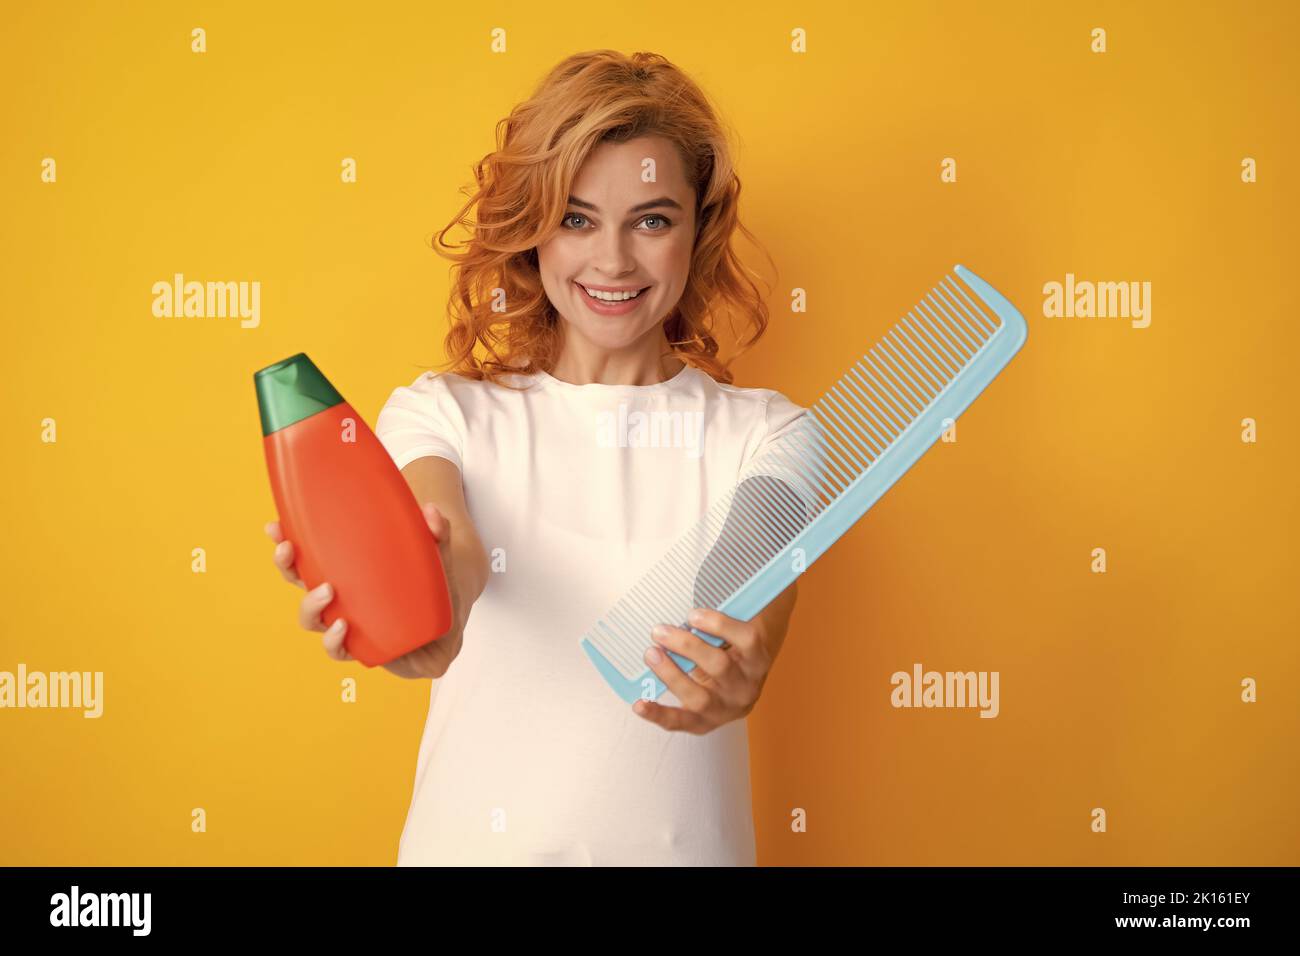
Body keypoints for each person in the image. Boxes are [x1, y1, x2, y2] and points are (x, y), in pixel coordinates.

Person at [264, 50, 808, 865]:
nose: (613, 261)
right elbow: (444, 534)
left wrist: (732, 663)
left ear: (700, 229)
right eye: (577, 219)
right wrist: (427, 597)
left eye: (652, 219)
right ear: (532, 228)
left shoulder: (769, 435)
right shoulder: (443, 413)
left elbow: (748, 579)